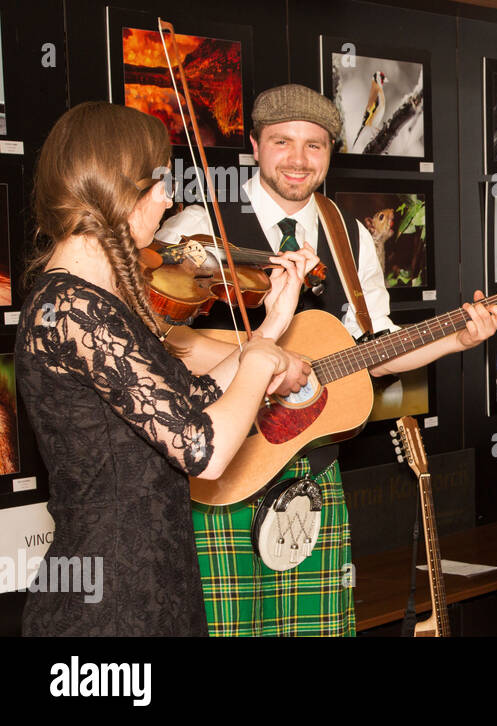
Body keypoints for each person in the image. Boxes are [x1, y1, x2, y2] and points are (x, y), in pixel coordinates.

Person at [158, 84, 497, 636]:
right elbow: (156, 345)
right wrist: (265, 360)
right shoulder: (198, 230)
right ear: (253, 145)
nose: (298, 159)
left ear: (330, 154)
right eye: (282, 142)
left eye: (314, 146)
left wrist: (456, 341)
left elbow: (374, 352)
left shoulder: (352, 237)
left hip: (310, 472)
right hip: (222, 475)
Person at [15, 102, 312, 635]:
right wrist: (264, 358)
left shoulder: (91, 303)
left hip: (147, 577)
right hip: (108, 601)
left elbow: (192, 399)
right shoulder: (73, 310)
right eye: (158, 183)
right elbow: (203, 450)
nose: (169, 197)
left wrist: (268, 329)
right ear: (115, 189)